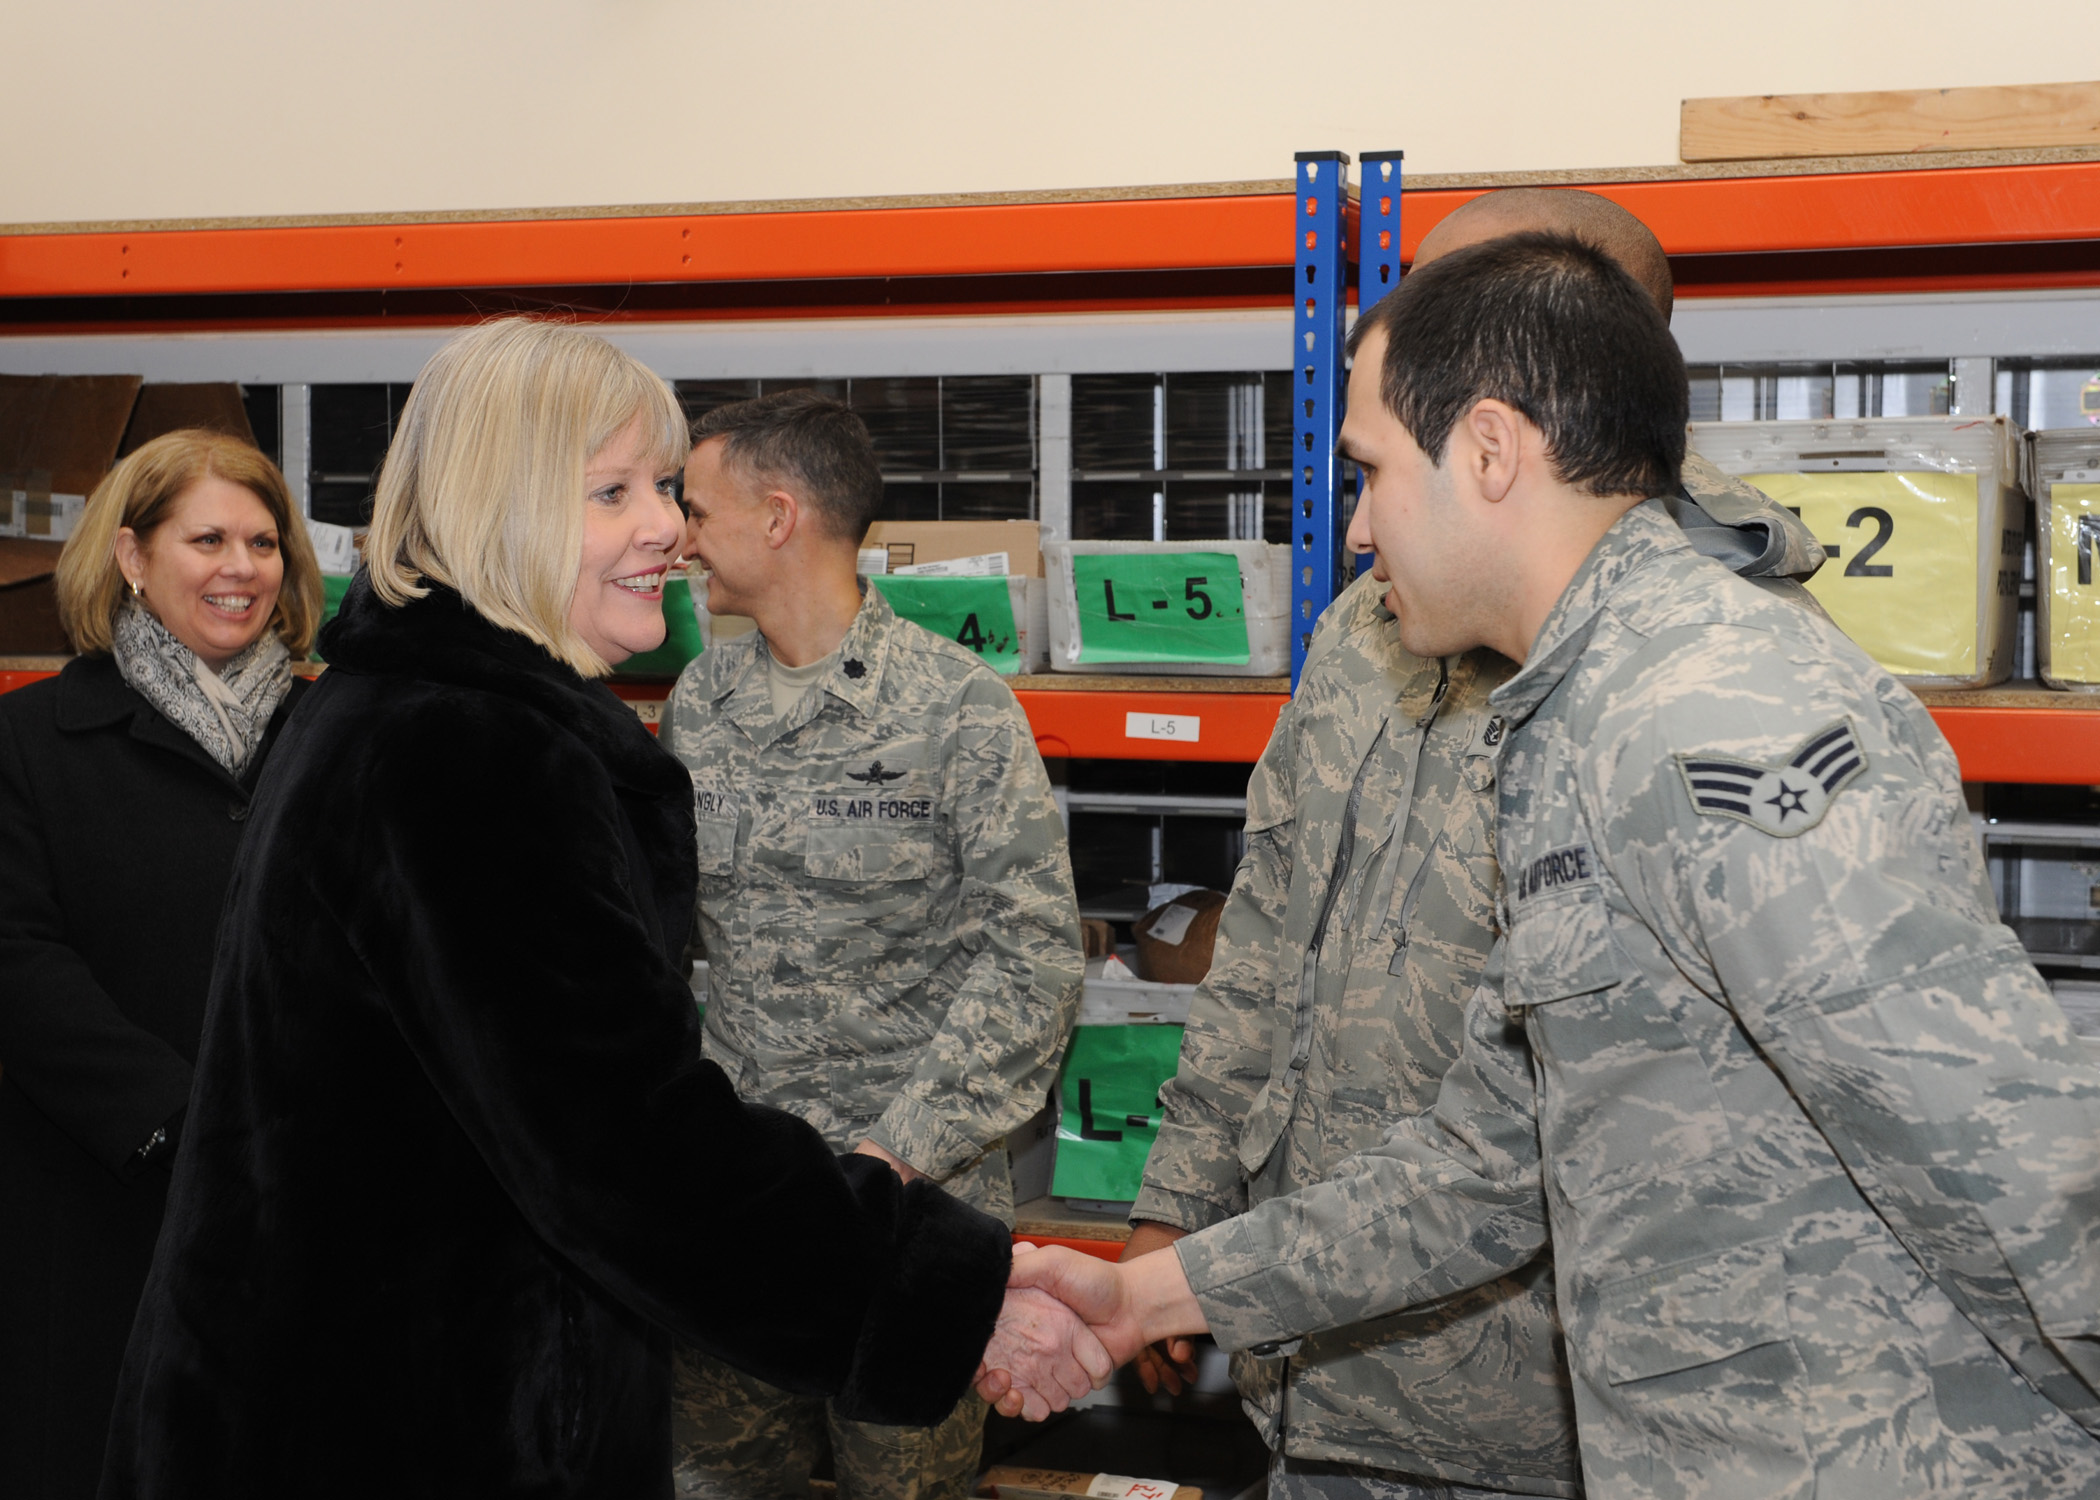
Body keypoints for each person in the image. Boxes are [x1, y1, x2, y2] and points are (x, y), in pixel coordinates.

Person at [991, 235, 2100, 1496]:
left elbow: (2018, 1155)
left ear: (1490, 449)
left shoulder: (1713, 710)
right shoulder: (1576, 708)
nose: (1355, 528)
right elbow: (1485, 1164)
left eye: (1372, 473)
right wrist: (1146, 1295)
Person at [98, 319, 1105, 1500]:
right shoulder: (467, 755)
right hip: (387, 1433)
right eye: (614, 490)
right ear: (503, 508)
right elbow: (632, 1151)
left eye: (666, 488)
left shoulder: (407, 713)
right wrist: (939, 1299)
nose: (668, 527)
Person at [1108, 189, 1824, 1500]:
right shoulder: (1366, 626)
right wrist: (1184, 1217)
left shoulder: (1710, 675)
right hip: (1313, 1374)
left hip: (1543, 1421)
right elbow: (1267, 936)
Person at [663, 389, 1084, 1500]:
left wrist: (888, 1158)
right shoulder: (698, 704)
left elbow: (1032, 960)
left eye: (697, 509)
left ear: (778, 515)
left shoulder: (959, 709)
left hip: (910, 1223)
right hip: (745, 1214)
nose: (678, 534)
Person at [0, 430, 320, 1500]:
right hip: (103, 1203)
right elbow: (14, 957)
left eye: (265, 541)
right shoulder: (31, 738)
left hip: (310, 1194)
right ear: (132, 557)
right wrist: (183, 1122)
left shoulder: (339, 733)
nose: (242, 567)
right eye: (209, 538)